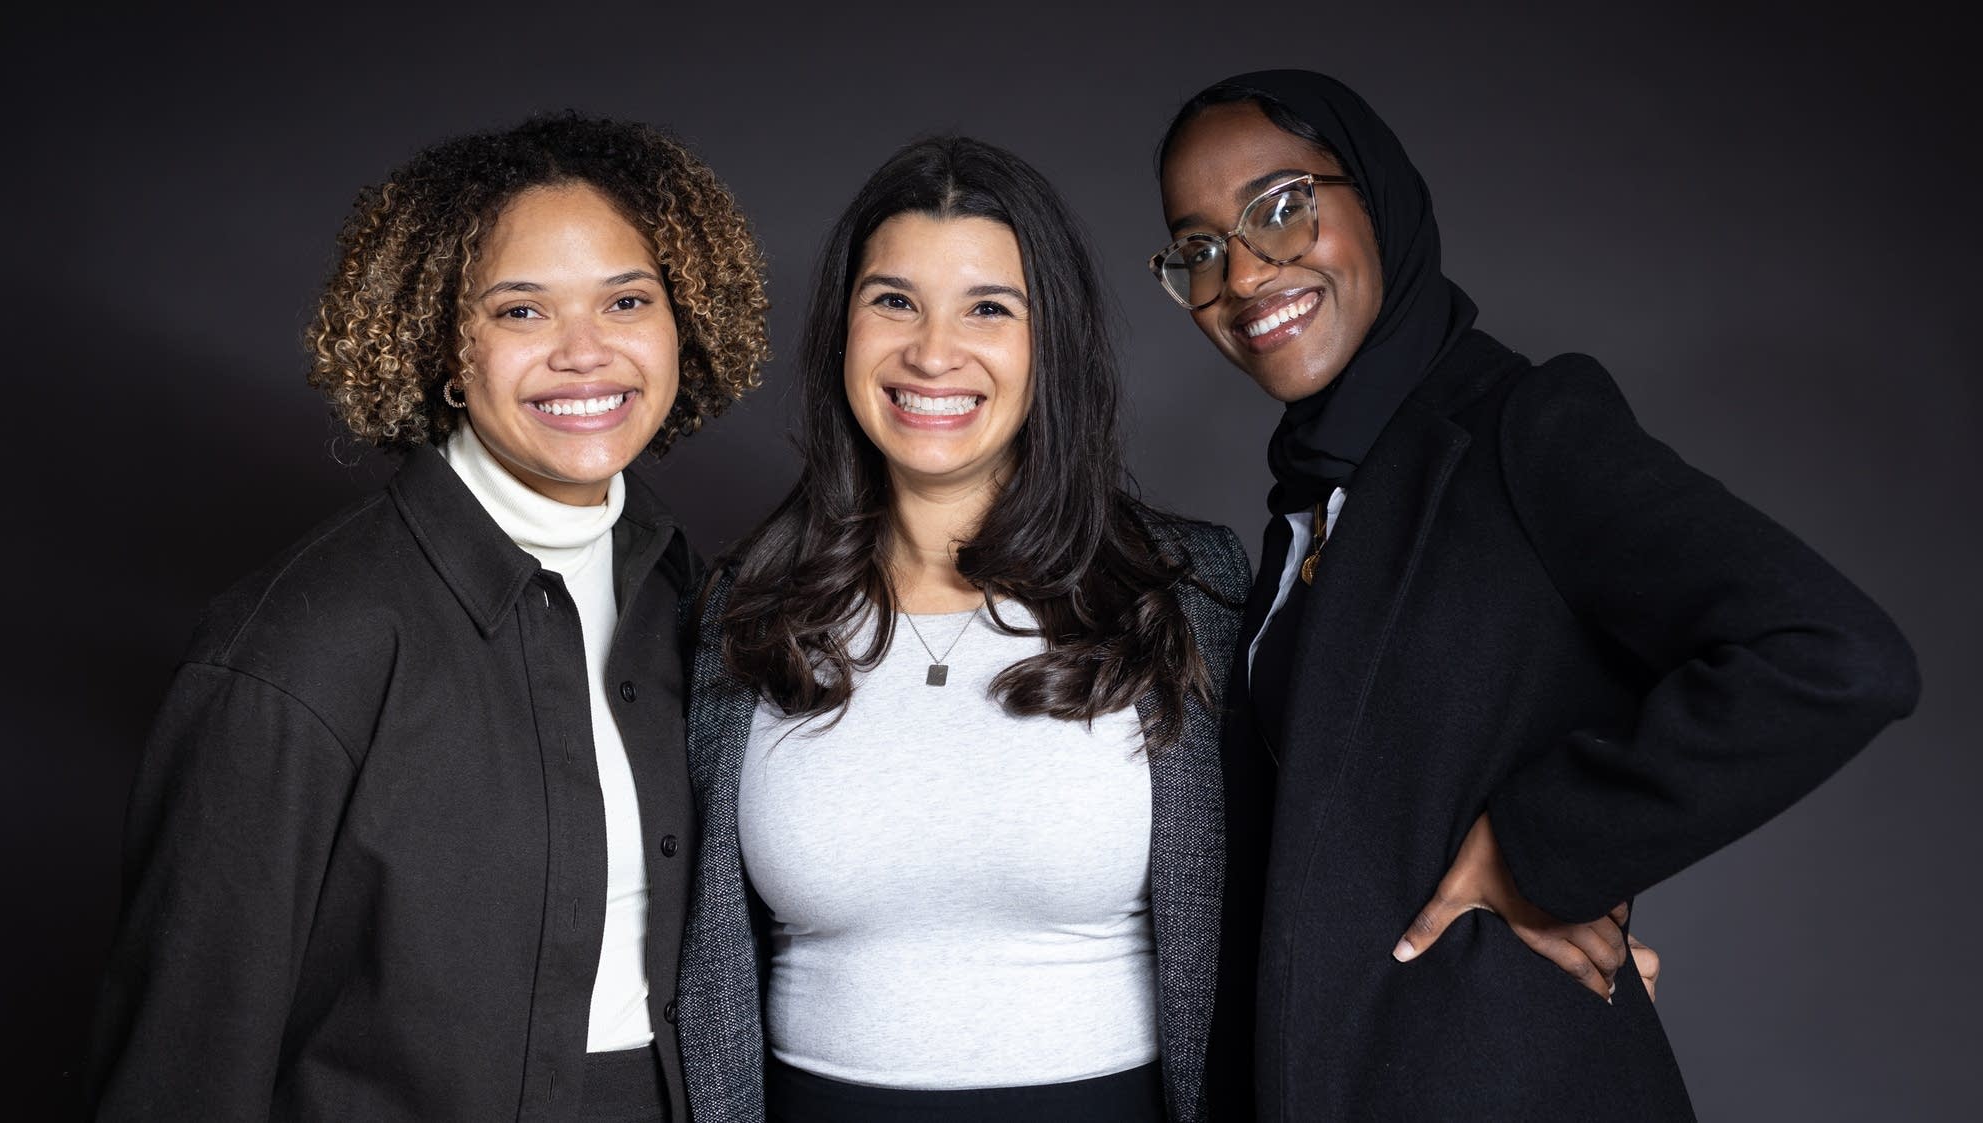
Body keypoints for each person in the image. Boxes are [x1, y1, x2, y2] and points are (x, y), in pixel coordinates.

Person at [1150, 69, 1920, 1119]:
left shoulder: (1514, 428)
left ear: (1373, 197)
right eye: (1197, 248)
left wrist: (1543, 847)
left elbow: (1832, 654)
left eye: (1281, 208)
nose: (1241, 273)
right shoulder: (1317, 499)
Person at [87, 113, 769, 1122]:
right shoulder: (302, 643)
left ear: (684, 323)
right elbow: (185, 1056)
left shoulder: (690, 600)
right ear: (445, 351)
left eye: (626, 299)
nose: (586, 354)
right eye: (520, 312)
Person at [673, 136, 1250, 1123]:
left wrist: (1533, 869)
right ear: (841, 334)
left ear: (1048, 342)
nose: (932, 351)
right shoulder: (745, 604)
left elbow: (1342, 829)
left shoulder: (1182, 585)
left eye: (988, 307)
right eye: (892, 300)